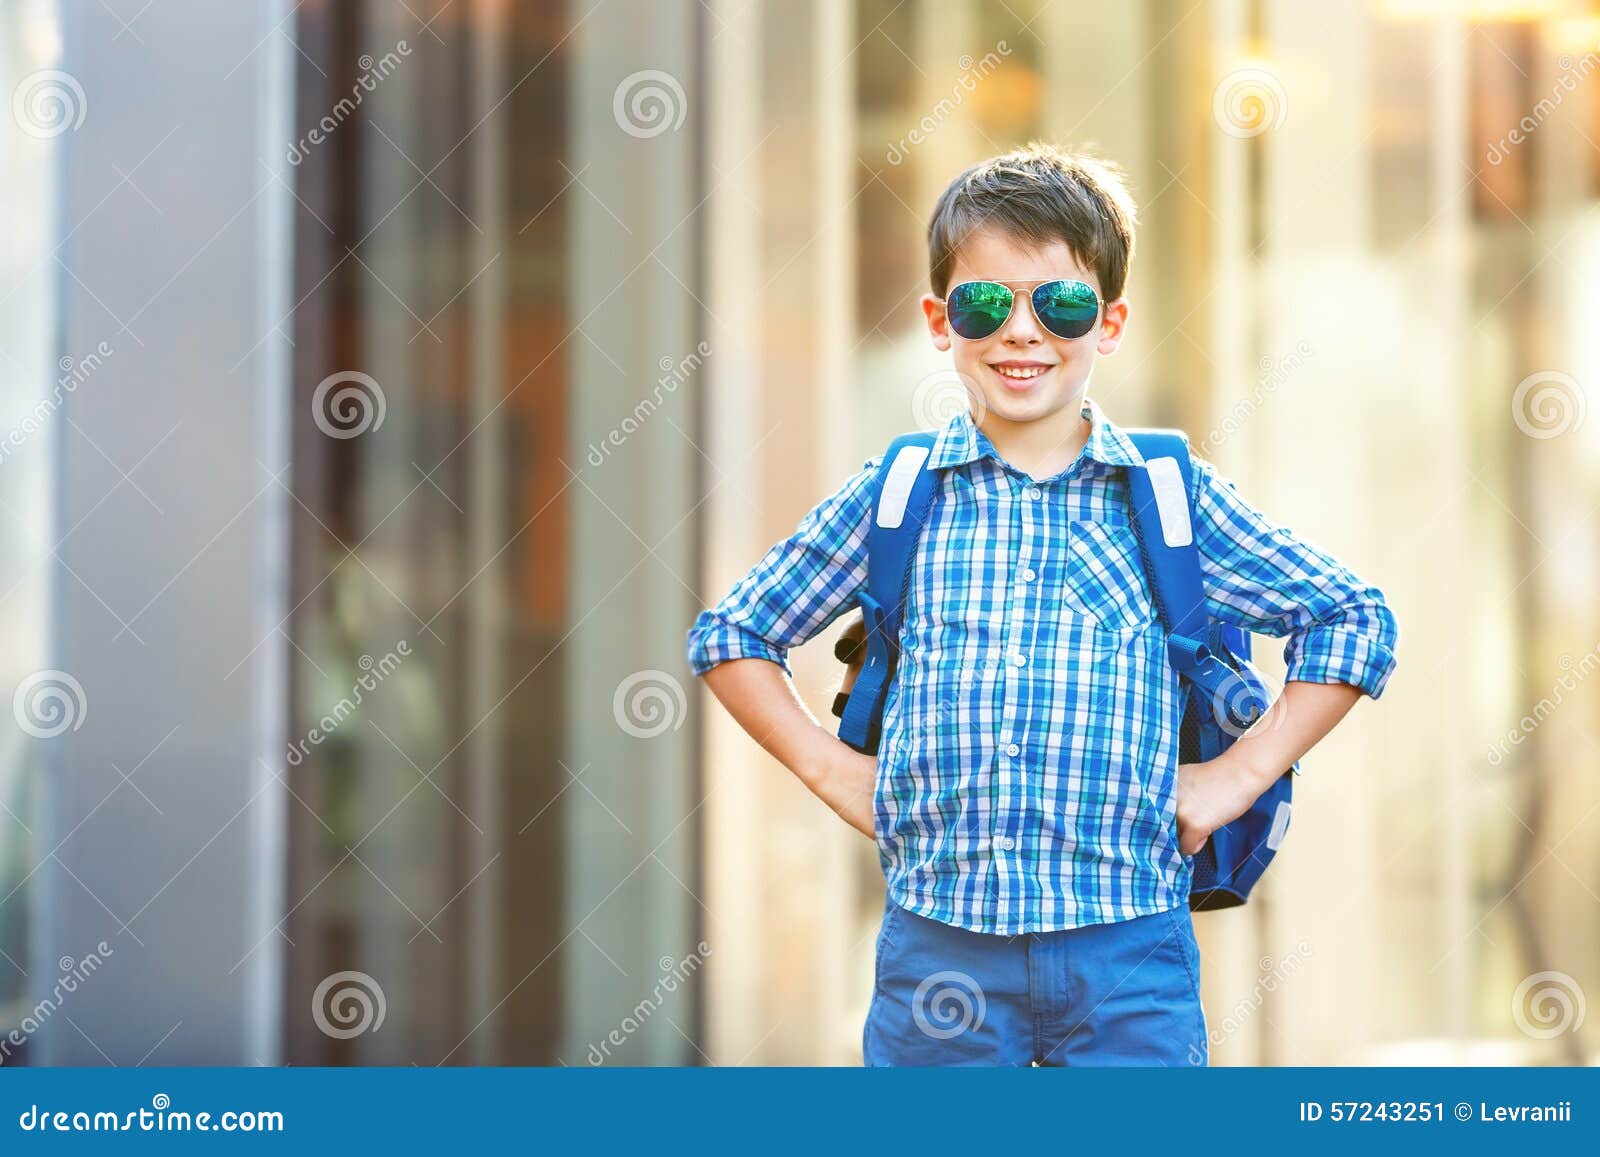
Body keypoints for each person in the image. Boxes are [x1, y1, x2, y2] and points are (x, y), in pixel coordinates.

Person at [685, 143, 1398, 1066]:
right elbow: (733, 634)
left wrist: (1236, 777)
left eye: (1059, 303)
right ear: (942, 322)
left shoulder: (1170, 498)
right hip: (938, 947)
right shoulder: (898, 494)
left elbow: (1354, 619)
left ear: (1109, 322)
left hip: (1129, 947)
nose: (1022, 331)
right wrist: (832, 772)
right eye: (988, 303)